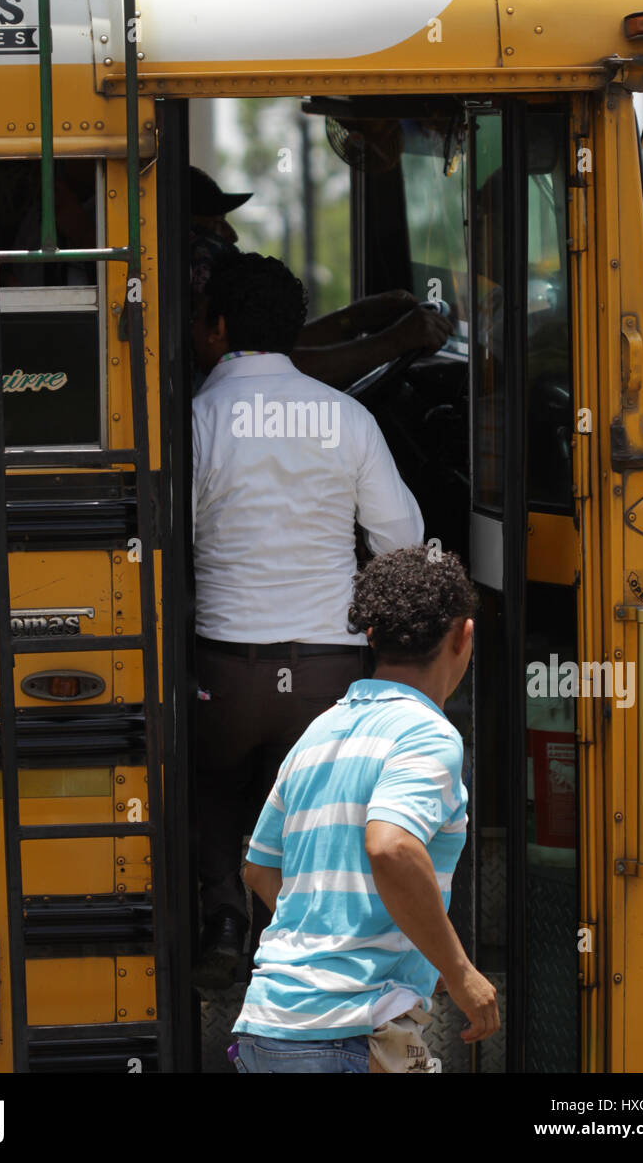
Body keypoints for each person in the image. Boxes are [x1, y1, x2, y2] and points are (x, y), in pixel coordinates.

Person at [191, 252, 425, 989]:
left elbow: (170, 539)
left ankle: (222, 909)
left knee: (209, 782)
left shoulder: (195, 418)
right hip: (326, 675)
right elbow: (402, 541)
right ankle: (300, 951)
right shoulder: (345, 417)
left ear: (216, 327)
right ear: (294, 331)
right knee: (307, 810)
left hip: (223, 673)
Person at [231, 545, 500, 1073]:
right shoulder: (428, 736)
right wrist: (461, 971)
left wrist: (417, 944)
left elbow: (260, 868)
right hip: (347, 1036)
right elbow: (392, 846)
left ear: (372, 637)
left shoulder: (320, 730)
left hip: (267, 1029)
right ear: (463, 635)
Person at [189, 166, 451, 390]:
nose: (230, 236)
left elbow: (271, 347)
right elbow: (279, 370)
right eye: (215, 224)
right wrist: (395, 341)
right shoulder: (195, 298)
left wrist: (354, 318)